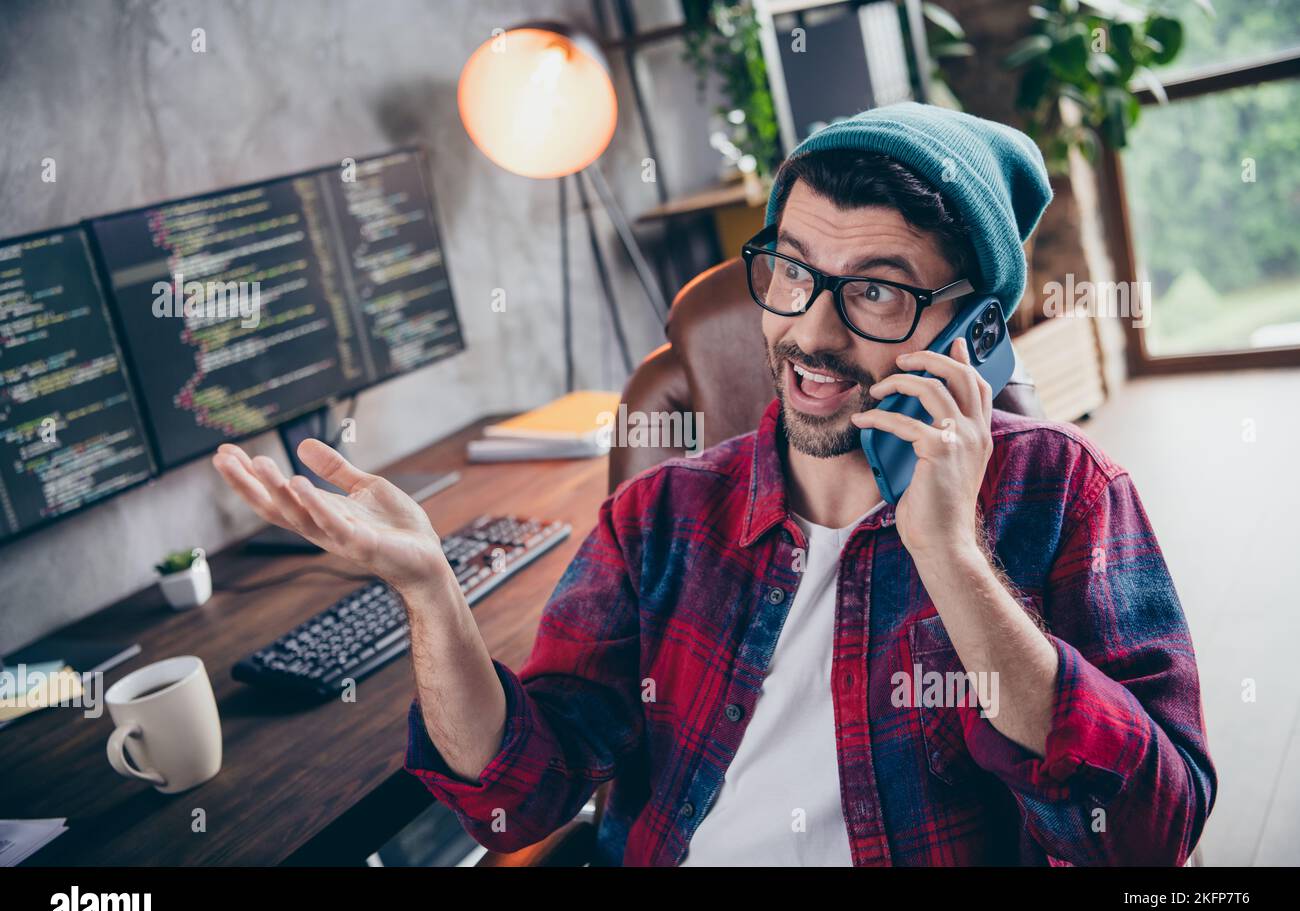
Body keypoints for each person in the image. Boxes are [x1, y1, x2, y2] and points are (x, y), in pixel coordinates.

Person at [212, 103, 1215, 866]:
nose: (811, 334)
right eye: (789, 272)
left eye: (876, 290)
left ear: (975, 330)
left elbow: (1145, 830)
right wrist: (431, 591)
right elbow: (519, 797)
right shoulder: (663, 515)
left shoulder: (1063, 493)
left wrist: (950, 554)